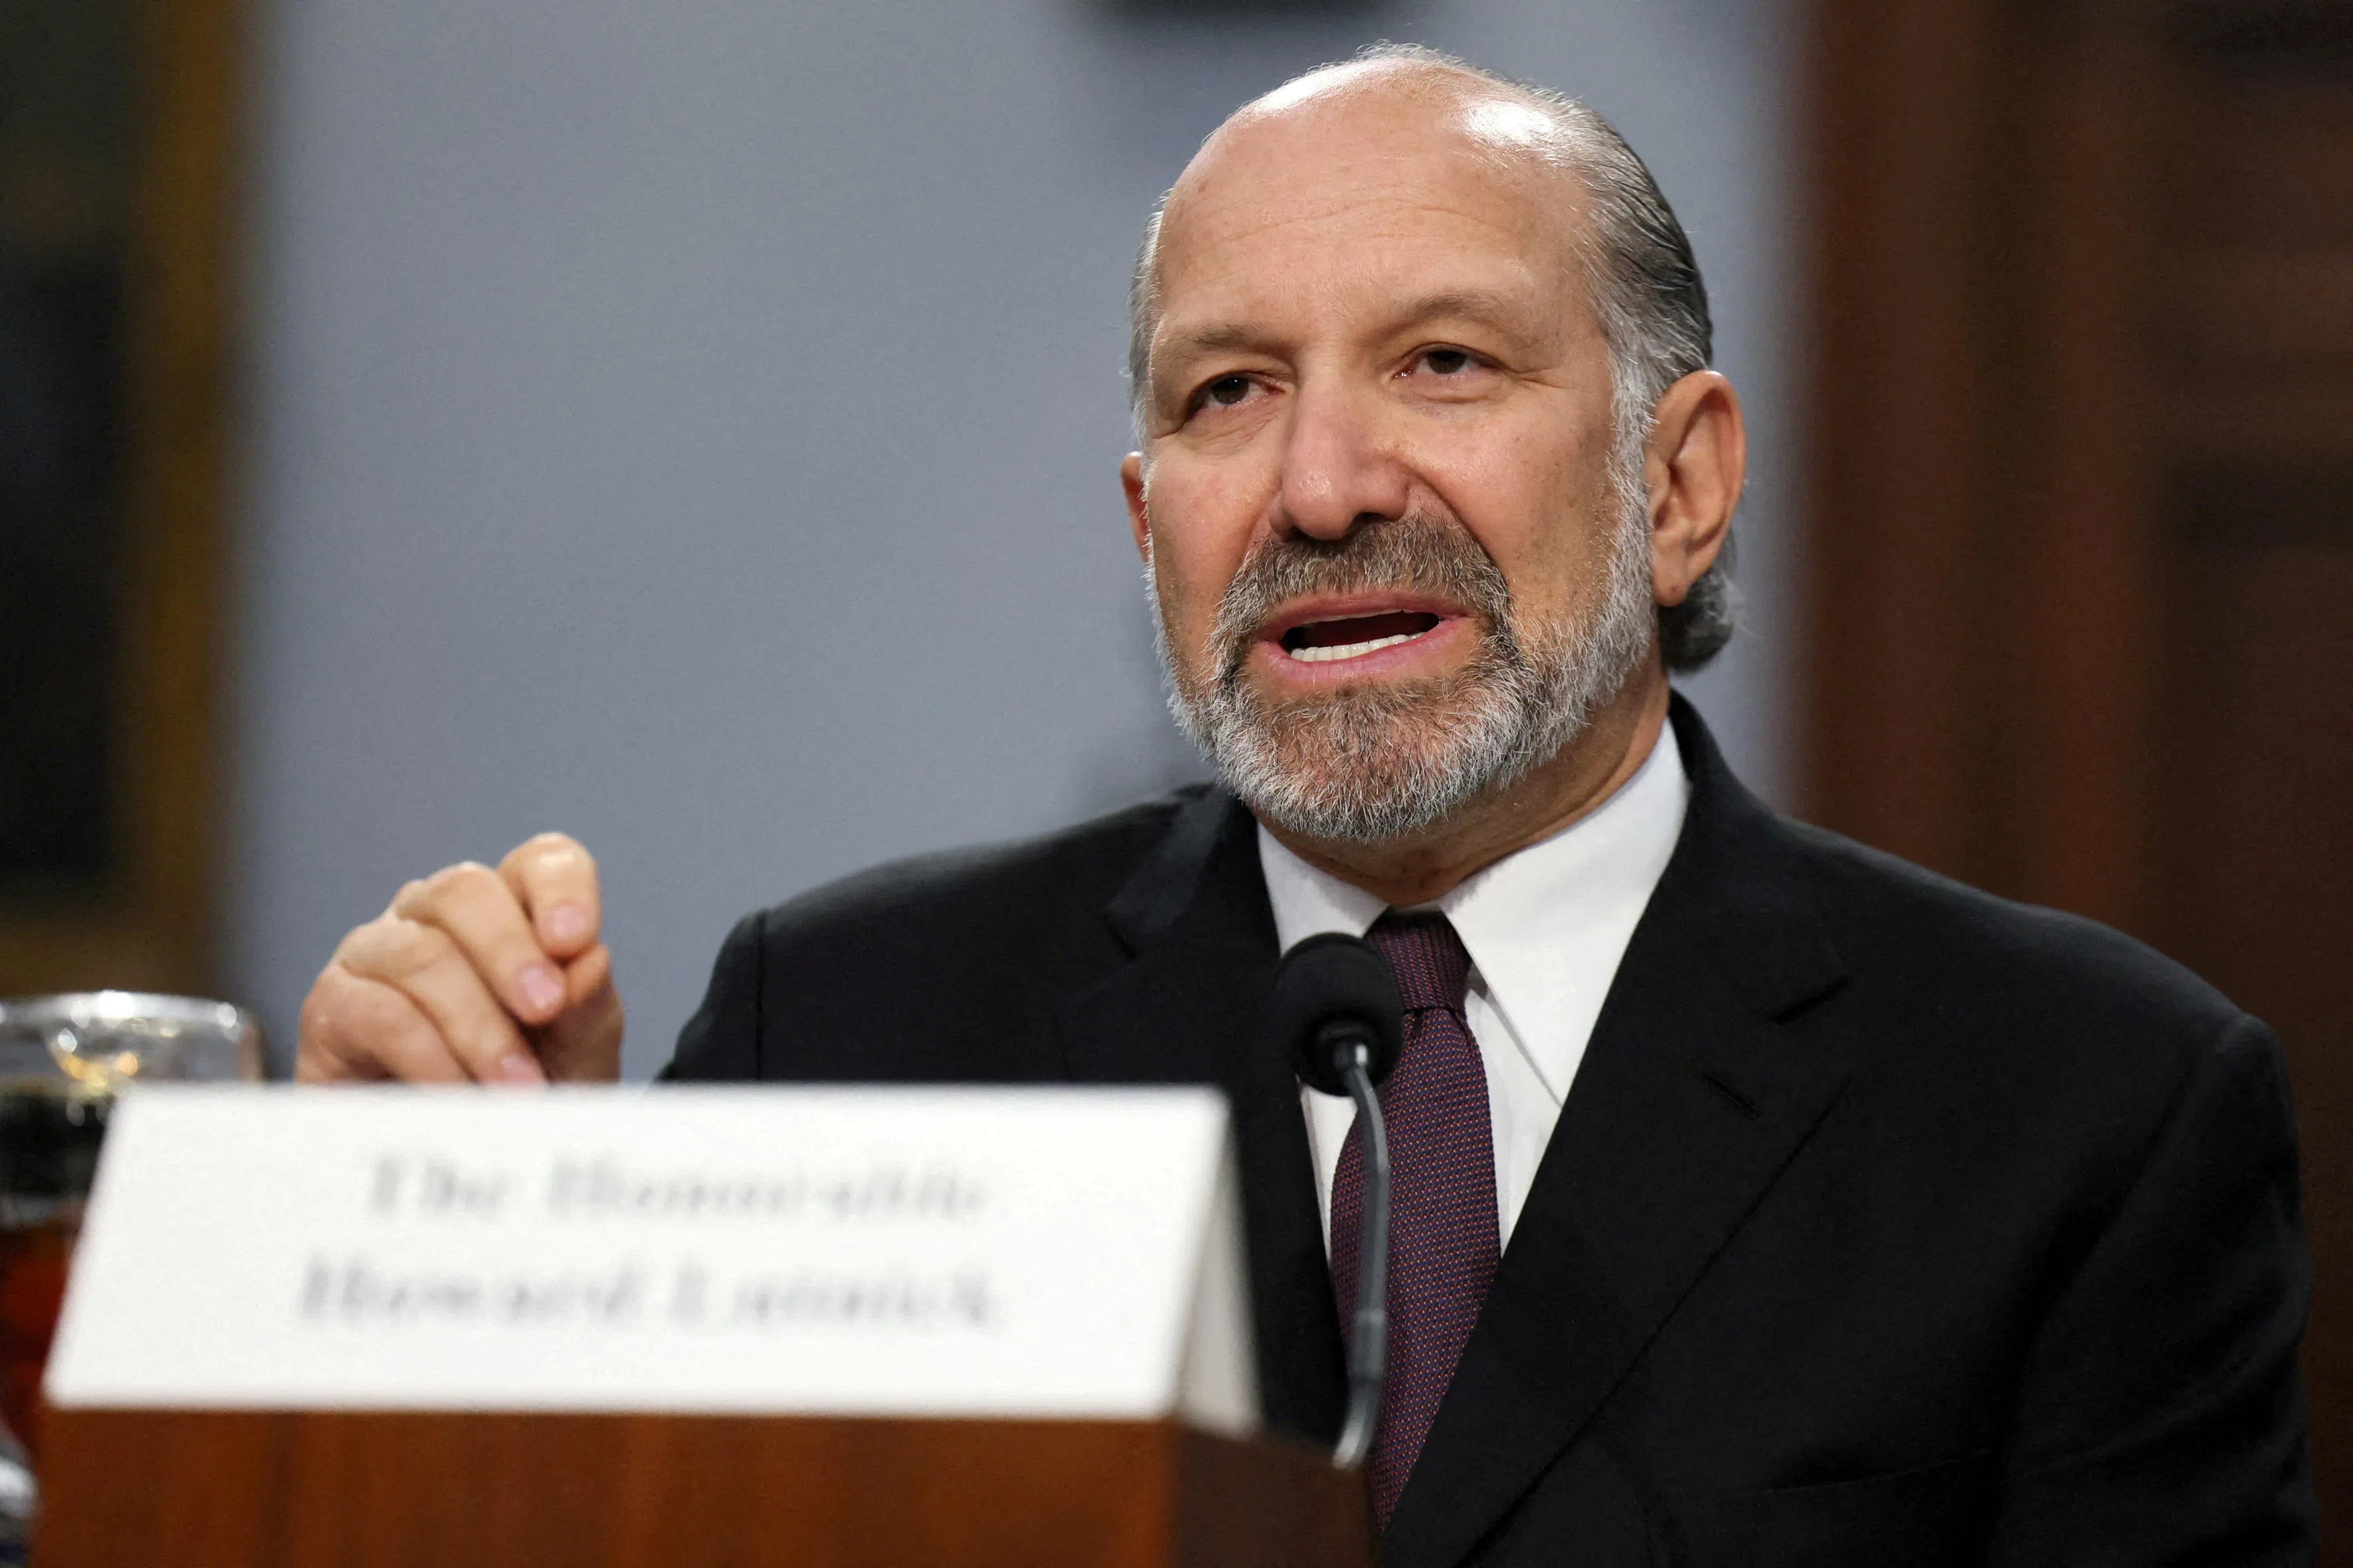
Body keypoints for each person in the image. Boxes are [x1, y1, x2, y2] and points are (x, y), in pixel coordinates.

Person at [293, 45, 2314, 1567]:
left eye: (1444, 363)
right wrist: (457, 1262)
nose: (1324, 487)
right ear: (1147, 524)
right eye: (1228, 395)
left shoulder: (2082, 1112)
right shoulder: (844, 1034)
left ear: (1680, 485)